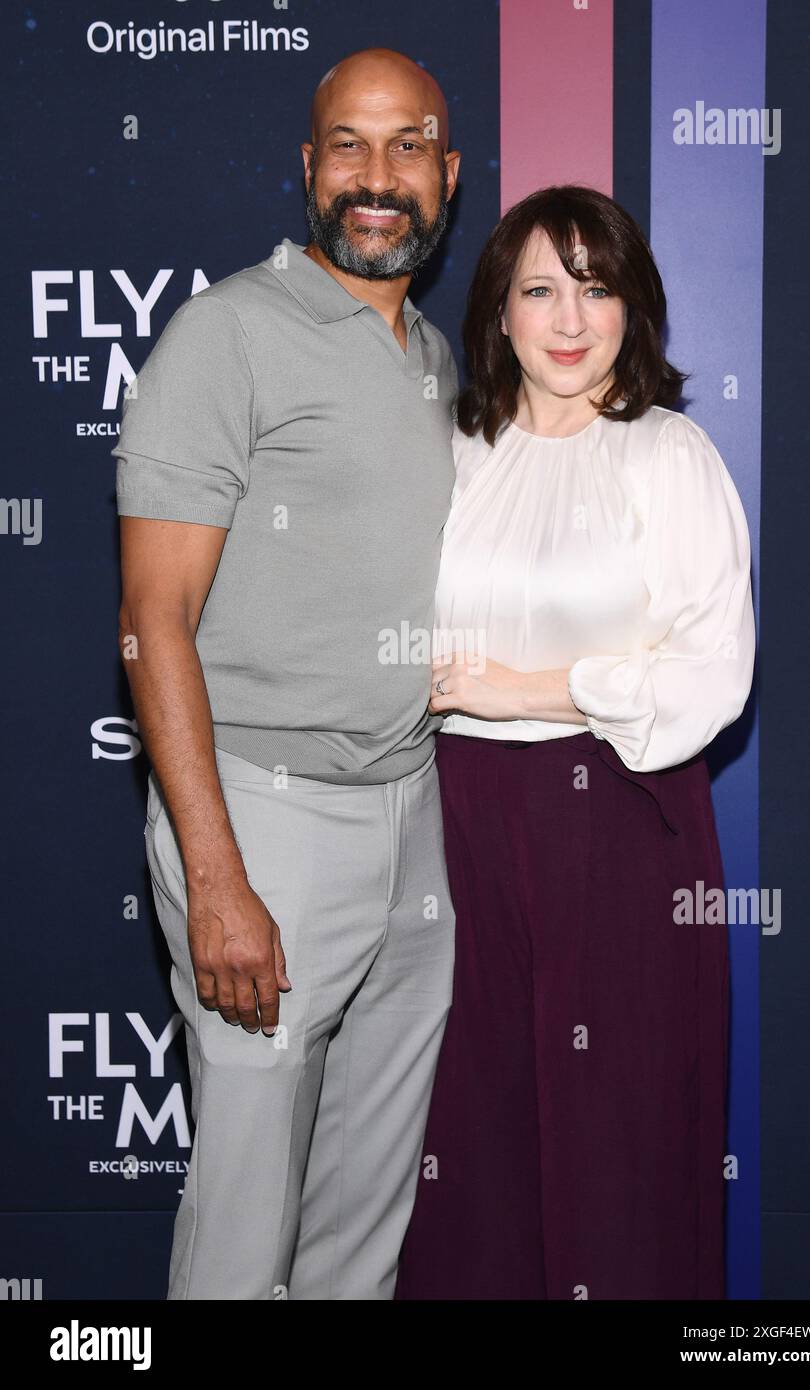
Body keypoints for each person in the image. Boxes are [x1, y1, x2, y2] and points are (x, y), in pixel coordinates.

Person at [113, 48, 461, 1301]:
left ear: (447, 173)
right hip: (262, 815)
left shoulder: (441, 356)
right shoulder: (227, 335)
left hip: (412, 816)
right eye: (350, 147)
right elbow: (153, 616)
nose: (379, 178)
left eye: (408, 145)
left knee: (362, 1215)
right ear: (309, 169)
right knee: (244, 1221)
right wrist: (217, 876)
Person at [395, 185, 756, 1300]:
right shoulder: (455, 451)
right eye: (539, 288)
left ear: (632, 308)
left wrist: (527, 687)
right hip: (454, 828)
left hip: (618, 823)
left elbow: (713, 673)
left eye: (594, 287)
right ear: (496, 310)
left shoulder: (668, 455)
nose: (566, 317)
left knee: (621, 1137)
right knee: (470, 1134)